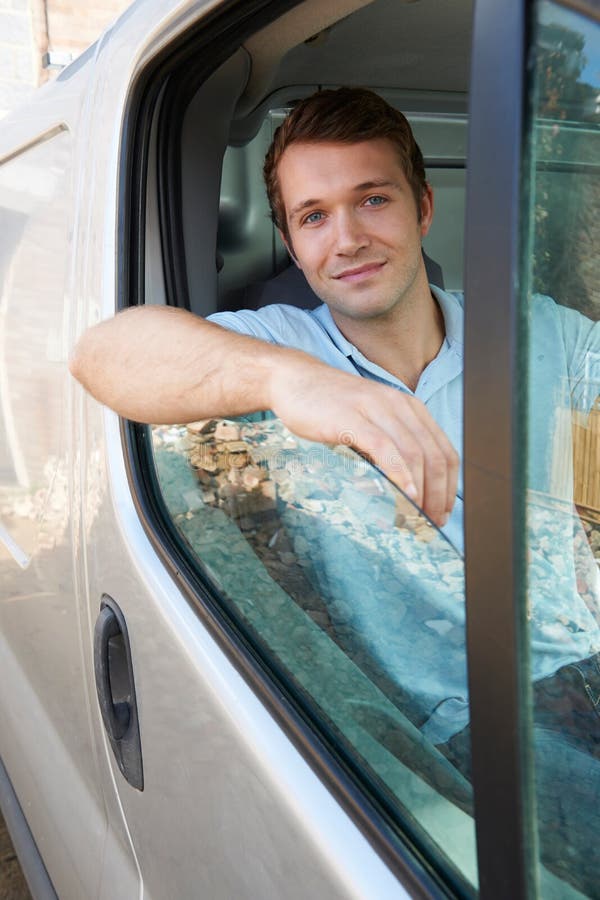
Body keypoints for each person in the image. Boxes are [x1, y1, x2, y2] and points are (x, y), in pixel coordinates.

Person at [71, 87, 600, 892]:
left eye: (373, 199)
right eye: (313, 216)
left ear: (424, 208)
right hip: (455, 723)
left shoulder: (535, 330)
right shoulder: (283, 344)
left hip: (582, 658)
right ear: (290, 240)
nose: (347, 238)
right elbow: (104, 354)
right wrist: (288, 382)